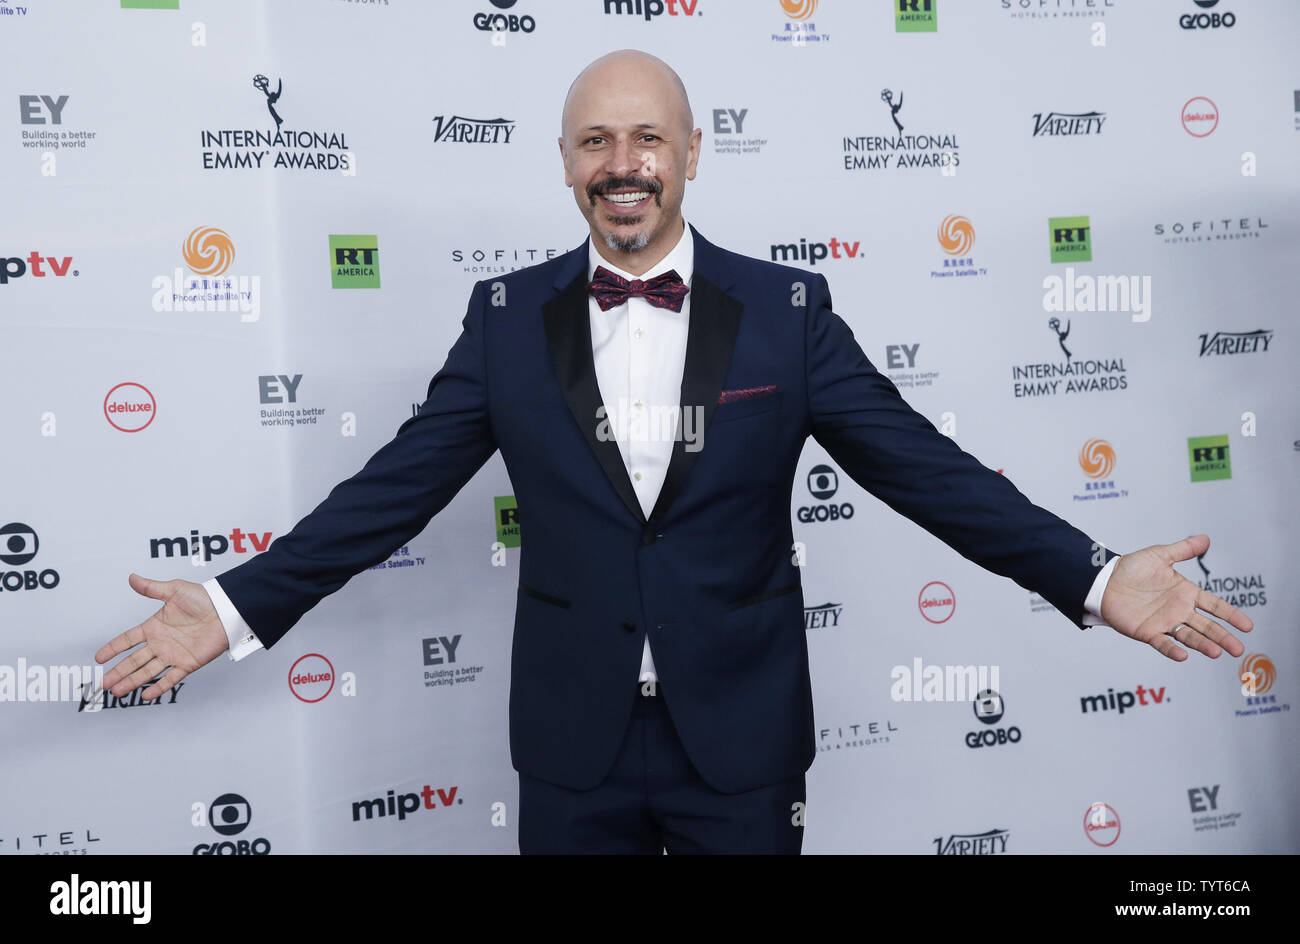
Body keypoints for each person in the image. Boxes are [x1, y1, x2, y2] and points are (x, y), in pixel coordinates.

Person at [96, 50, 1253, 854]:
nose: (623, 161)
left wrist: (1094, 576)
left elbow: (921, 467)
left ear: (692, 150)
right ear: (563, 162)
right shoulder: (505, 318)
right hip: (570, 743)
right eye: (595, 140)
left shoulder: (785, 311)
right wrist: (237, 604)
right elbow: (394, 487)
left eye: (647, 135)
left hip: (738, 738)